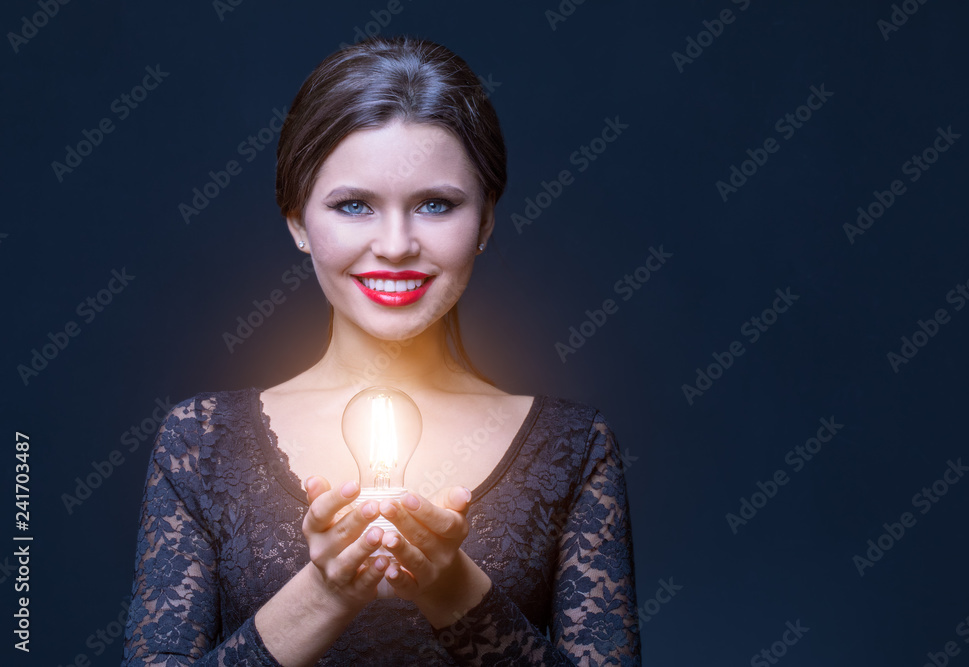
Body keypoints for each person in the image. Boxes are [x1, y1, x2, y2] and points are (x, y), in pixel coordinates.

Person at [123, 35, 640, 666]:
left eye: (435, 204)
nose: (395, 245)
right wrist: (326, 592)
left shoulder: (575, 447)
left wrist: (453, 589)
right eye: (354, 206)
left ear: (485, 221)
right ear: (296, 221)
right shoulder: (201, 444)